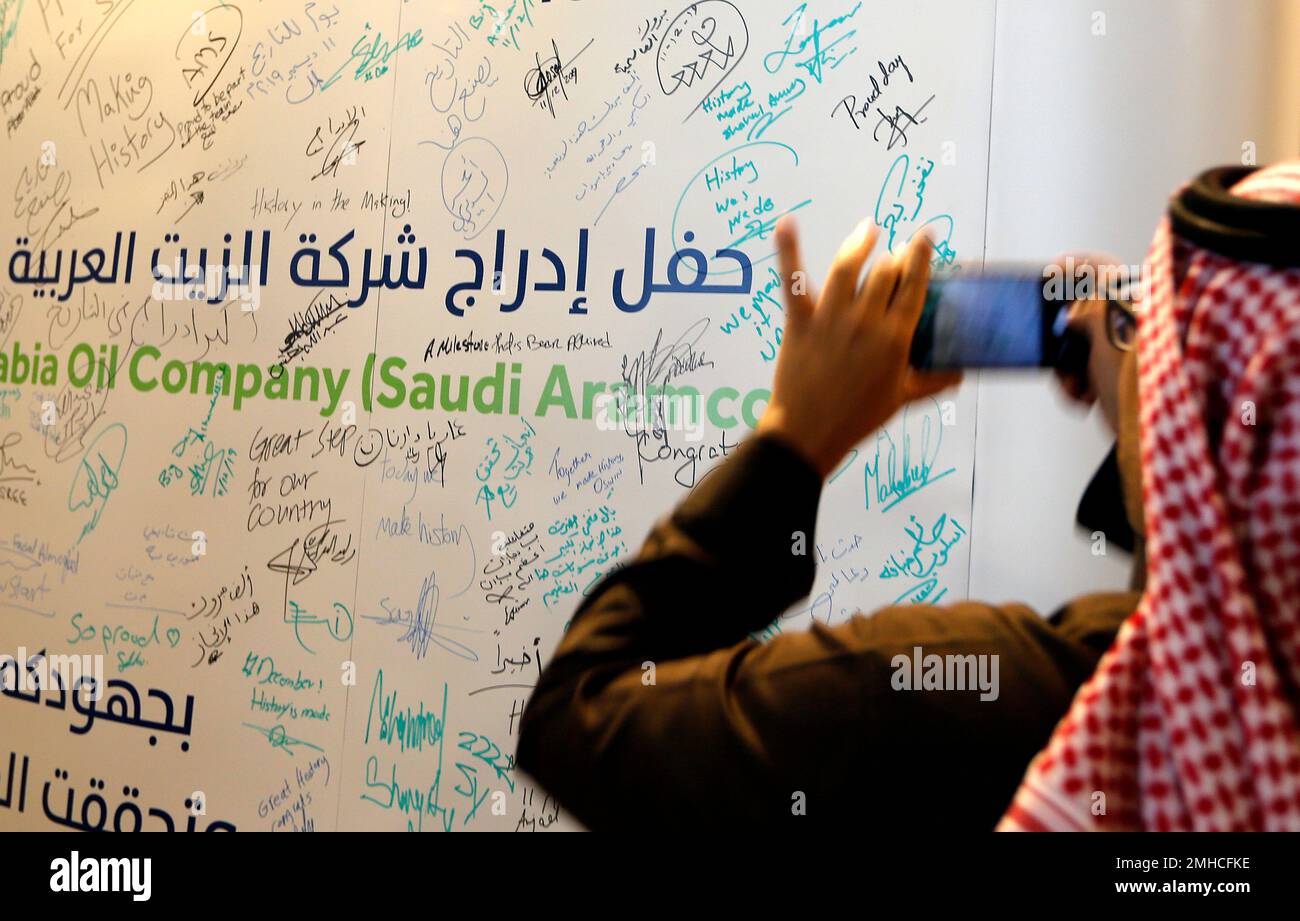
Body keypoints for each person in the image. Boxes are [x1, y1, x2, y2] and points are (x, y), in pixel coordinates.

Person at [516, 162, 1300, 831]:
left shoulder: (982, 699)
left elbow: (577, 718)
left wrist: (796, 439)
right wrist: (1150, 393)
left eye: (1143, 328)